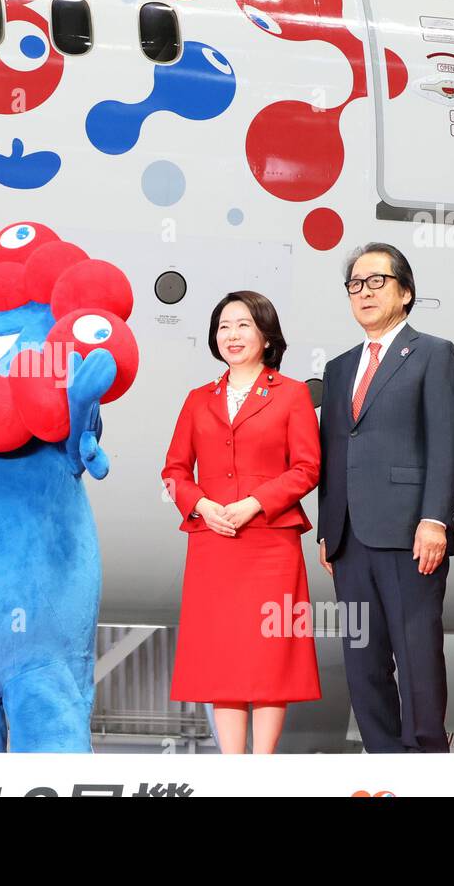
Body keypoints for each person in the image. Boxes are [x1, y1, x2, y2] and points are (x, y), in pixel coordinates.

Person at [317, 242, 454, 754]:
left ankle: (426, 759)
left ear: (405, 293)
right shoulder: (339, 368)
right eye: (355, 284)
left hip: (410, 532)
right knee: (362, 657)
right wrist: (326, 530)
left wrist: (435, 520)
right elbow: (334, 451)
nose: (364, 292)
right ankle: (383, 761)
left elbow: (446, 443)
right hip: (349, 537)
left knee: (417, 651)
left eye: (377, 281)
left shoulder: (432, 352)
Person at [162, 291, 321, 753]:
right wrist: (201, 506)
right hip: (213, 542)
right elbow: (173, 472)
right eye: (224, 326)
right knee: (222, 659)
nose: (231, 335)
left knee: (270, 658)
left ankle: (261, 769)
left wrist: (255, 502)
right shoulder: (197, 399)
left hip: (270, 542)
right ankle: (234, 772)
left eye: (243, 325)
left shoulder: (291, 394)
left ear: (266, 335)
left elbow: (307, 468)